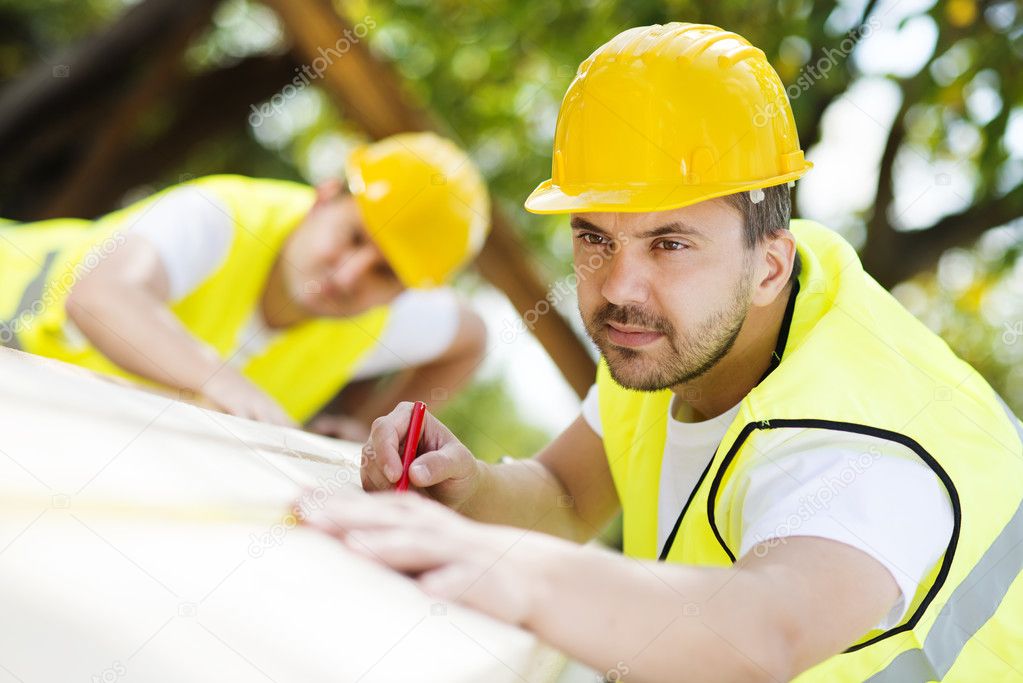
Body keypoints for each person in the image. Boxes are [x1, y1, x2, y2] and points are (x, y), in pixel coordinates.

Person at [304, 24, 1023, 681]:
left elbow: (765, 633)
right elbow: (564, 495)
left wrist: (518, 575)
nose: (619, 287)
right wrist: (467, 489)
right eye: (595, 238)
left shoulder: (864, 436)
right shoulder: (677, 335)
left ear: (769, 266)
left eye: (670, 244)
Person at [0, 132, 490, 437]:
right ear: (325, 197)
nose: (347, 276)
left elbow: (472, 339)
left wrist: (369, 429)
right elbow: (102, 297)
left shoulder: (389, 318)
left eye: (385, 272)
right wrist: (222, 381)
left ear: (406, 291)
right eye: (354, 237)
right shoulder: (221, 215)